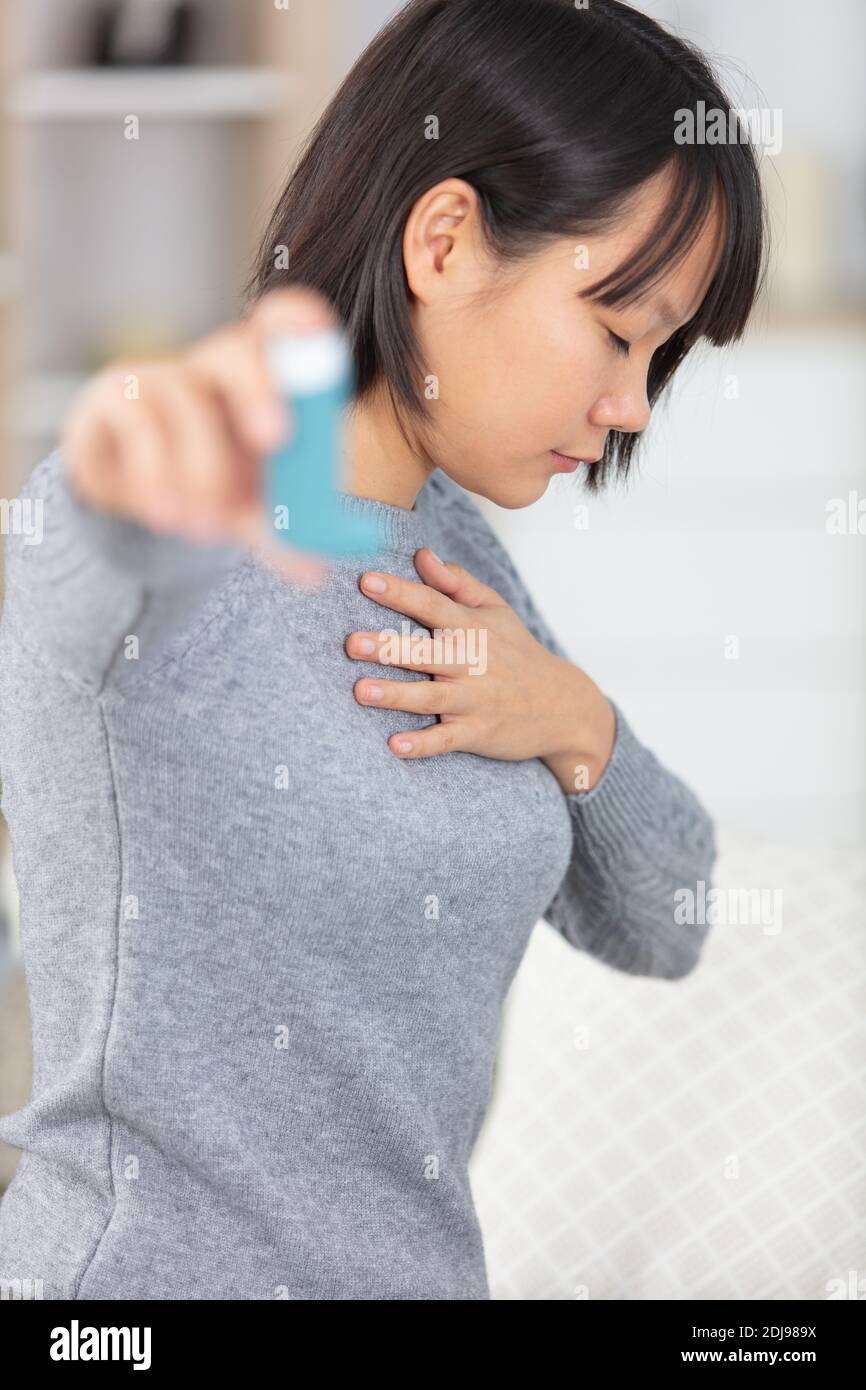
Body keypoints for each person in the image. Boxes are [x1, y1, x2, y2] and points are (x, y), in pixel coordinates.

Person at [0, 0, 767, 1299]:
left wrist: (574, 719)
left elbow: (669, 918)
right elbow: (68, 576)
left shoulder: (454, 548)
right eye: (615, 326)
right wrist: (114, 482)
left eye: (660, 355)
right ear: (446, 238)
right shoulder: (178, 518)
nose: (630, 403)